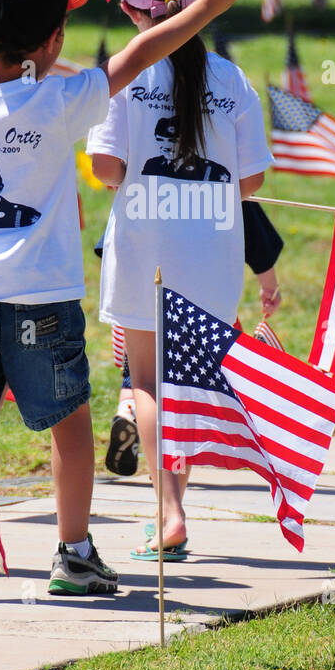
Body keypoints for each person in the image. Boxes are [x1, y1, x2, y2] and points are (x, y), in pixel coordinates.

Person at [0, 0, 241, 596]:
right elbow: (143, 53)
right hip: (40, 301)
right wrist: (203, 10)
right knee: (69, 425)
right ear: (53, 42)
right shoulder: (59, 101)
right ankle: (74, 553)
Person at [87, 0, 271, 559]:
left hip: (143, 243)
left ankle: (167, 511)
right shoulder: (233, 78)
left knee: (146, 380)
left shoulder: (125, 73)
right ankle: (175, 509)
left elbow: (108, 169)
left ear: (134, 13)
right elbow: (251, 182)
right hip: (214, 251)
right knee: (187, 383)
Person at [99, 198, 283, 478]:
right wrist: (269, 286)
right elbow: (257, 239)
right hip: (196, 297)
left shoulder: (141, 172)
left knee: (142, 379)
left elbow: (110, 242)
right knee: (177, 394)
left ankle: (128, 411)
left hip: (141, 291)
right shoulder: (220, 173)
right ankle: (168, 489)